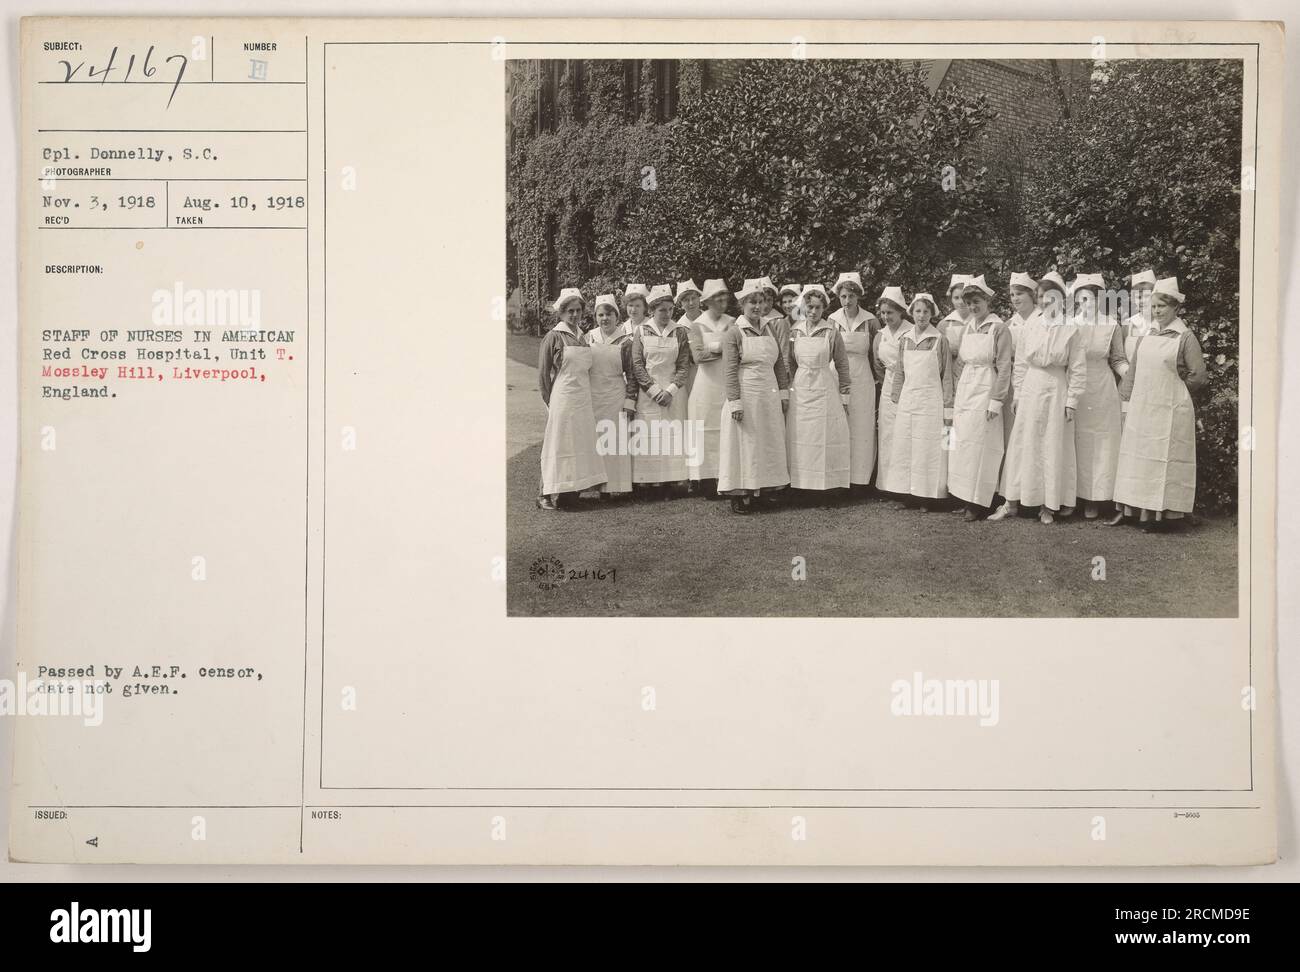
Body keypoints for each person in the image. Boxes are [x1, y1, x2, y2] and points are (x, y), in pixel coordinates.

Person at [1107, 277, 1208, 530]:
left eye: (1162, 306)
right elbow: (1133, 373)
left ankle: (1161, 516)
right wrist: (1125, 400)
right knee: (1137, 457)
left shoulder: (1185, 337)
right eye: (1153, 307)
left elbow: (1198, 375)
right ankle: (1131, 510)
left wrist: (1177, 392)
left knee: (1165, 458)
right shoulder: (1147, 334)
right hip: (1143, 406)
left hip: (1170, 409)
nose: (1157, 311)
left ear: (1176, 308)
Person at [989, 271, 1086, 524]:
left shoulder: (1071, 328)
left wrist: (1072, 401)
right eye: (1041, 296)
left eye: (1050, 295)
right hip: (1031, 386)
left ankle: (1048, 505)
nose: (1044, 301)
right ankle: (1010, 502)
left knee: (1051, 444)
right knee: (1023, 443)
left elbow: (1077, 367)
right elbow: (1020, 363)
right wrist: (1018, 394)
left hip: (1056, 388)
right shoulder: (1031, 324)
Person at [718, 279, 791, 514]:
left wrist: (783, 393)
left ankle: (761, 491)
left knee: (766, 442)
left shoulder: (771, 328)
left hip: (768, 393)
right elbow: (729, 369)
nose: (757, 307)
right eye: (752, 302)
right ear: (742, 304)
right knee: (744, 443)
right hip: (746, 392)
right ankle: (740, 495)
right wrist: (735, 402)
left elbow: (780, 363)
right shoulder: (734, 332)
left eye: (761, 302)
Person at [948, 275, 1013, 520]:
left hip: (987, 386)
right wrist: (956, 391)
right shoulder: (968, 327)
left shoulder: (999, 328)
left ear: (987, 301)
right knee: (962, 443)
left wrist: (996, 400)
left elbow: (1005, 366)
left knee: (982, 445)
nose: (973, 307)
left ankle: (980, 501)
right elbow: (960, 362)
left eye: (977, 302)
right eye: (969, 303)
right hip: (966, 387)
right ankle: (962, 496)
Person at [537, 288, 605, 510]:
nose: (574, 315)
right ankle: (548, 494)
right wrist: (550, 402)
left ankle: (574, 491)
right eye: (570, 311)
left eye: (578, 311)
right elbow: (543, 374)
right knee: (559, 444)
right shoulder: (553, 336)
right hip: (563, 397)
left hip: (582, 398)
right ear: (562, 313)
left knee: (579, 443)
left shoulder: (583, 337)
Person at [886, 291, 953, 509]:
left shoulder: (939, 340)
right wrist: (896, 394)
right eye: (917, 311)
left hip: (931, 401)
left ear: (932, 314)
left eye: (926, 311)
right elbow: (900, 371)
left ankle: (926, 498)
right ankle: (907, 496)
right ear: (911, 313)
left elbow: (946, 375)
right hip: (908, 400)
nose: (921, 316)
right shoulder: (905, 339)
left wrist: (948, 406)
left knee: (927, 448)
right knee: (906, 447)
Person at [1070, 272, 1128, 519]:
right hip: (1077, 387)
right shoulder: (1069, 324)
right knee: (1077, 441)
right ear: (1077, 301)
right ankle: (1073, 496)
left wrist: (1133, 377)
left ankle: (1096, 498)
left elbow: (1117, 359)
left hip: (1103, 388)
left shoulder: (1111, 325)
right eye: (1083, 299)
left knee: (1102, 442)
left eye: (1093, 299)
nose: (1088, 304)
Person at [786, 283, 852, 497]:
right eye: (809, 307)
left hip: (824, 388)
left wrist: (844, 396)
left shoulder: (831, 332)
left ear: (824, 308)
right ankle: (801, 486)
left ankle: (824, 489)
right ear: (803, 306)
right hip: (801, 389)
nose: (813, 312)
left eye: (817, 307)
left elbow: (842, 365)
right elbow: (790, 362)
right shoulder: (795, 331)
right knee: (802, 437)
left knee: (824, 438)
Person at [631, 284, 692, 496]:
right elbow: (637, 365)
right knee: (650, 436)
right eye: (662, 310)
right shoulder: (641, 331)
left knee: (672, 436)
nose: (667, 314)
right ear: (652, 311)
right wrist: (655, 391)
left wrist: (671, 390)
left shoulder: (680, 331)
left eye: (670, 309)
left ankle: (671, 482)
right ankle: (648, 483)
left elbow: (684, 365)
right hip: (649, 393)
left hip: (673, 393)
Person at [830, 272, 880, 493]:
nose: (847, 301)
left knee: (861, 425)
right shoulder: (832, 320)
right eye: (843, 296)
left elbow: (876, 353)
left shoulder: (870, 321)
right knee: (840, 424)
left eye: (851, 296)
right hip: (836, 375)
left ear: (858, 296)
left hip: (862, 377)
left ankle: (859, 481)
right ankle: (838, 477)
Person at [585, 293, 638, 499]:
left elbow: (632, 374)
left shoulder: (626, 341)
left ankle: (616, 485)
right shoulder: (588, 338)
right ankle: (598, 486)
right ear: (595, 317)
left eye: (609, 314)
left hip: (616, 394)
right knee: (596, 441)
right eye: (600, 315)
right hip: (592, 394)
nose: (604, 318)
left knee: (615, 441)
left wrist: (630, 400)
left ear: (616, 316)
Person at [685, 278, 735, 492]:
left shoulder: (733, 322)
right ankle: (705, 481)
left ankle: (726, 478)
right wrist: (722, 349)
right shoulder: (697, 325)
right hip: (705, 385)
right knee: (705, 431)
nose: (722, 300)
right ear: (707, 301)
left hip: (726, 382)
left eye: (724, 296)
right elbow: (697, 356)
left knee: (727, 430)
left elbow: (738, 353)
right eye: (717, 297)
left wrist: (718, 350)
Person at [872, 286, 910, 507]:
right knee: (887, 434)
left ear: (901, 312)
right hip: (888, 386)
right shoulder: (880, 335)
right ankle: (888, 486)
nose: (886, 317)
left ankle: (905, 488)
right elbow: (877, 365)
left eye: (890, 313)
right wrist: (889, 380)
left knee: (904, 434)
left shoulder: (910, 331)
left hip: (909, 385)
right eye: (883, 313)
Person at [1004, 271, 1040, 446]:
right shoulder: (1009, 325)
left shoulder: (1043, 319)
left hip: (1038, 379)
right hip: (1015, 382)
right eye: (1012, 294)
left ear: (1031, 295)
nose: (1015, 298)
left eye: (1019, 294)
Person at [758, 276, 792, 377]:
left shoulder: (779, 321)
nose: (766, 305)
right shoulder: (752, 320)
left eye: (769, 300)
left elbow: (784, 350)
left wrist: (784, 374)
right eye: (762, 300)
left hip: (774, 371)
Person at [675, 279, 703, 396]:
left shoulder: (710, 320)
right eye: (686, 300)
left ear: (699, 299)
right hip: (691, 375)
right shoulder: (678, 328)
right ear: (681, 304)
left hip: (712, 372)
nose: (691, 303)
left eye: (693, 298)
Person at [940, 273, 972, 374]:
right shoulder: (943, 325)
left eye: (963, 297)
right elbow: (940, 357)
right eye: (956, 298)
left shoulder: (980, 322)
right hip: (952, 373)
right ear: (951, 299)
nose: (961, 302)